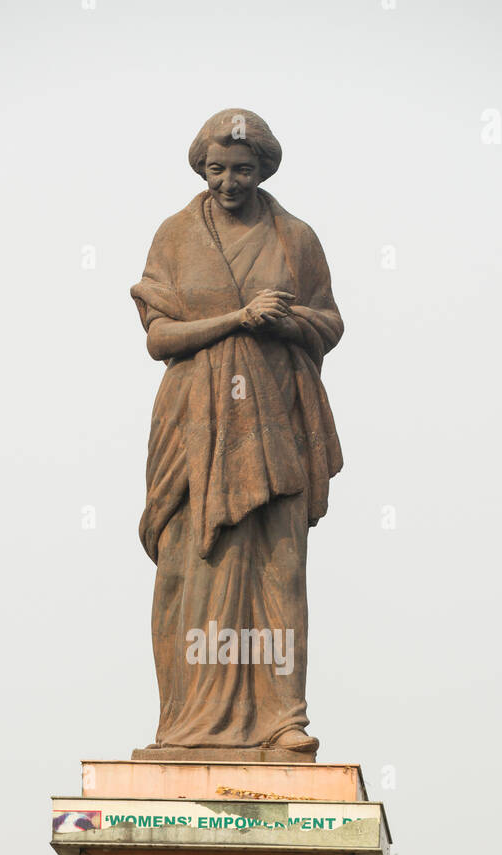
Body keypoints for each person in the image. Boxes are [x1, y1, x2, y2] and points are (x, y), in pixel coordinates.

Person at [131, 109, 344, 754]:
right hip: (194, 422)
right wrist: (236, 319)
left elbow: (329, 324)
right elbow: (158, 336)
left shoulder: (295, 238)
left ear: (264, 169)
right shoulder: (174, 236)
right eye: (217, 168)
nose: (229, 181)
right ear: (201, 165)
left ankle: (285, 718)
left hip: (276, 417)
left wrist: (283, 323)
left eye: (243, 170)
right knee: (187, 568)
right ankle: (184, 723)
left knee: (281, 568)